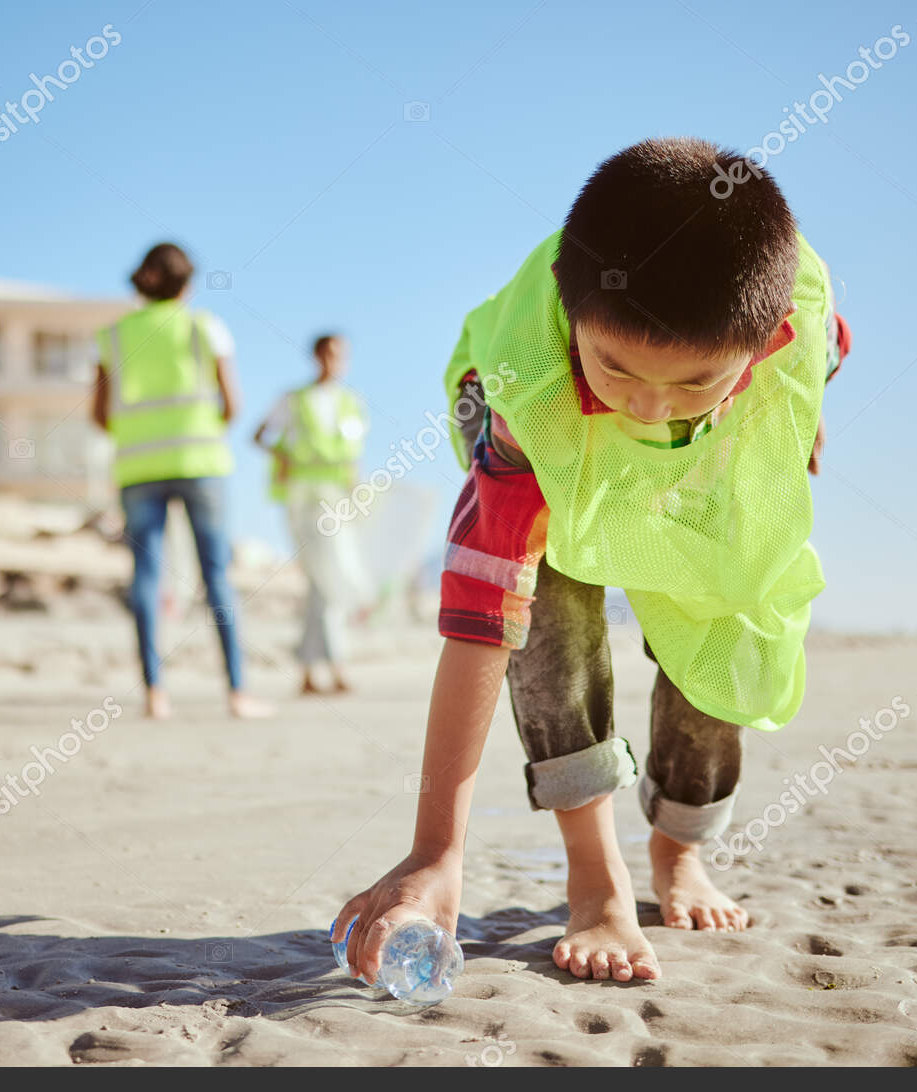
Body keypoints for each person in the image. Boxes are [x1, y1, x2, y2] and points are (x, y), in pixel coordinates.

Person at [335, 138, 851, 984]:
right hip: (526, 412)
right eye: (618, 367)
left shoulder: (799, 325)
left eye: (690, 382)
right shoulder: (524, 399)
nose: (647, 404)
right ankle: (595, 871)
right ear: (578, 321)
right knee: (550, 612)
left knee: (724, 617)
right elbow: (479, 623)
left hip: (719, 438)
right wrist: (435, 852)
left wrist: (802, 419)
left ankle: (678, 850)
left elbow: (820, 353)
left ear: (763, 348)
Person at [92, 242, 272, 720]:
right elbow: (232, 403)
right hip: (200, 460)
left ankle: (156, 694)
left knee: (146, 579)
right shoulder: (203, 326)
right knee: (215, 575)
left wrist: (140, 434)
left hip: (137, 468)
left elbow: (98, 414)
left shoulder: (112, 335)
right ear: (186, 284)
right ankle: (238, 693)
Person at [253, 333, 368, 695]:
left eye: (341, 355)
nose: (335, 362)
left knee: (326, 581)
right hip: (304, 500)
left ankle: (311, 669)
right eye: (329, 354)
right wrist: (283, 457)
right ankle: (332, 667)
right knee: (324, 578)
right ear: (316, 356)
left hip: (336, 500)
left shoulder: (351, 403)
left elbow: (352, 460)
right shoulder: (294, 399)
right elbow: (260, 435)